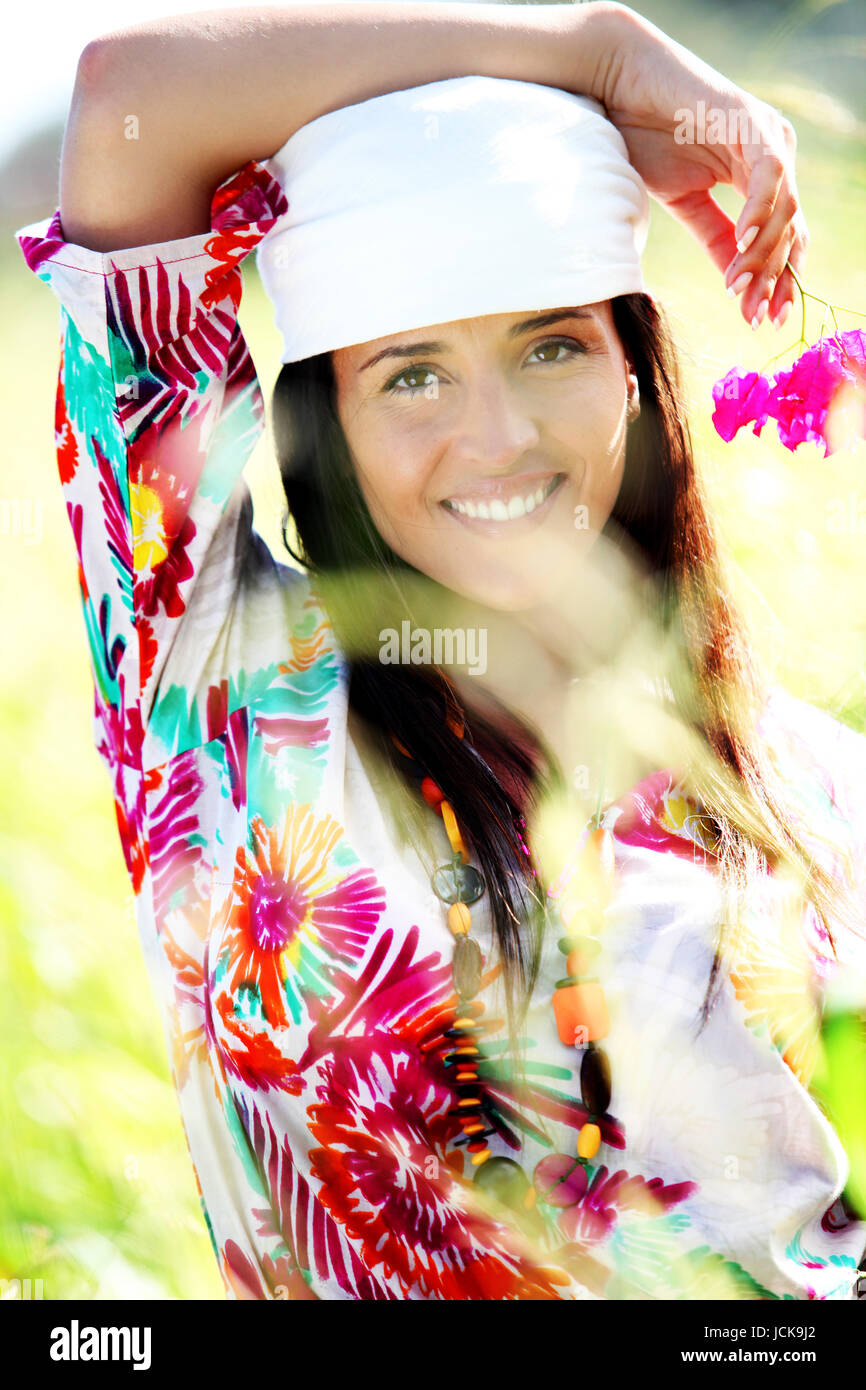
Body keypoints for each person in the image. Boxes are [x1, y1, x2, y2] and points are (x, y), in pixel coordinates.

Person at [17, 1, 866, 1301]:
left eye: (550, 345)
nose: (498, 437)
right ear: (323, 425)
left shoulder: (811, 789)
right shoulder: (231, 708)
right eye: (411, 373)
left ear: (633, 374)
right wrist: (592, 52)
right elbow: (139, 96)